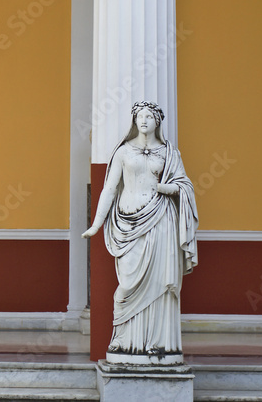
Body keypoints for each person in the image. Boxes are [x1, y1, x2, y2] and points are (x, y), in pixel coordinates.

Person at [82, 101, 198, 363]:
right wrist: (96, 224)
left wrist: (165, 188)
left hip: (161, 222)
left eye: (149, 116)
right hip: (128, 224)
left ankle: (159, 345)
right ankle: (123, 340)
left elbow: (185, 186)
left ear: (158, 121)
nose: (143, 120)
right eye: (139, 116)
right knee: (126, 286)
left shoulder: (170, 153)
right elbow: (110, 188)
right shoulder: (123, 151)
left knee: (160, 285)